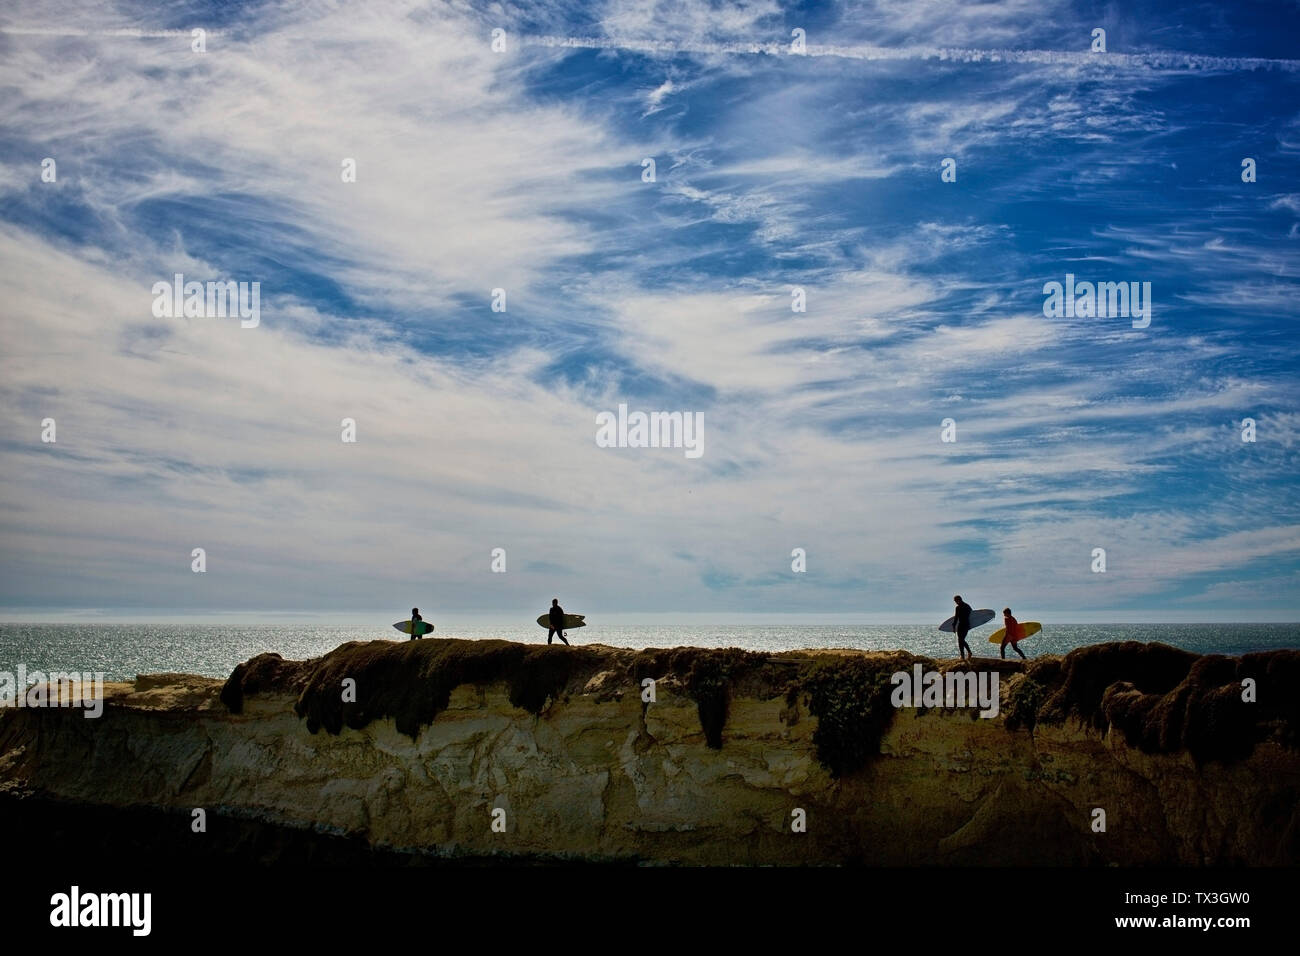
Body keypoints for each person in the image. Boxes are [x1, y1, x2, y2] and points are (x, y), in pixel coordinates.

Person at [952, 595, 974, 661]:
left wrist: (954, 626)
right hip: (964, 625)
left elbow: (956, 617)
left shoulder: (958, 607)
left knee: (961, 639)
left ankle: (968, 653)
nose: (955, 602)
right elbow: (972, 615)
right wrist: (954, 626)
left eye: (955, 601)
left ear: (959, 600)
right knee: (960, 640)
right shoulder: (967, 606)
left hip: (963, 625)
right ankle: (963, 655)